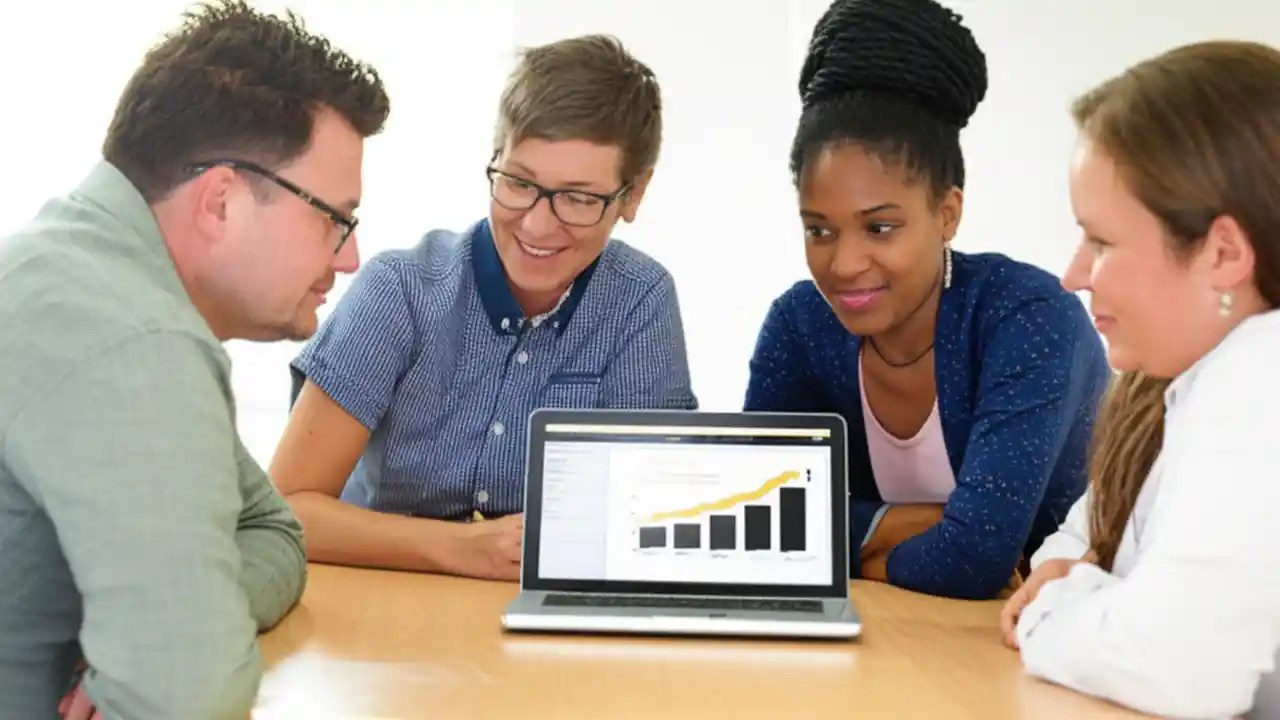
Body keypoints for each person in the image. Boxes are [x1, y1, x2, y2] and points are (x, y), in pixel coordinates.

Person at [0, 1, 390, 717]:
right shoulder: (135, 342)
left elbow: (274, 531)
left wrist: (187, 603)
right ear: (221, 201)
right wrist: (171, 630)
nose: (350, 257)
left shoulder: (75, 271)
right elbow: (185, 696)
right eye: (333, 218)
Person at [271, 34, 696, 582]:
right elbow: (286, 511)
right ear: (494, 158)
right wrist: (462, 547)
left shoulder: (640, 301)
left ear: (633, 195)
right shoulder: (400, 290)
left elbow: (653, 521)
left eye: (579, 198)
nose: (538, 225)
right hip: (379, 621)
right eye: (519, 183)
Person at [744, 0, 1110, 600]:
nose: (844, 263)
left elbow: (974, 561)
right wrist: (912, 526)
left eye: (880, 227)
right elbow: (758, 532)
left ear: (948, 213)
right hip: (896, 643)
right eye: (820, 229)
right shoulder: (800, 325)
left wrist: (851, 547)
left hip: (1045, 646)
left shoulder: (1027, 319)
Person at [1001, 40, 1280, 719]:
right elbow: (1074, 546)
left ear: (1223, 253)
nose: (1073, 275)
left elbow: (1174, 666)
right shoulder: (1173, 384)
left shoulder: (1260, 379)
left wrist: (1068, 607)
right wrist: (1088, 597)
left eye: (1100, 242)